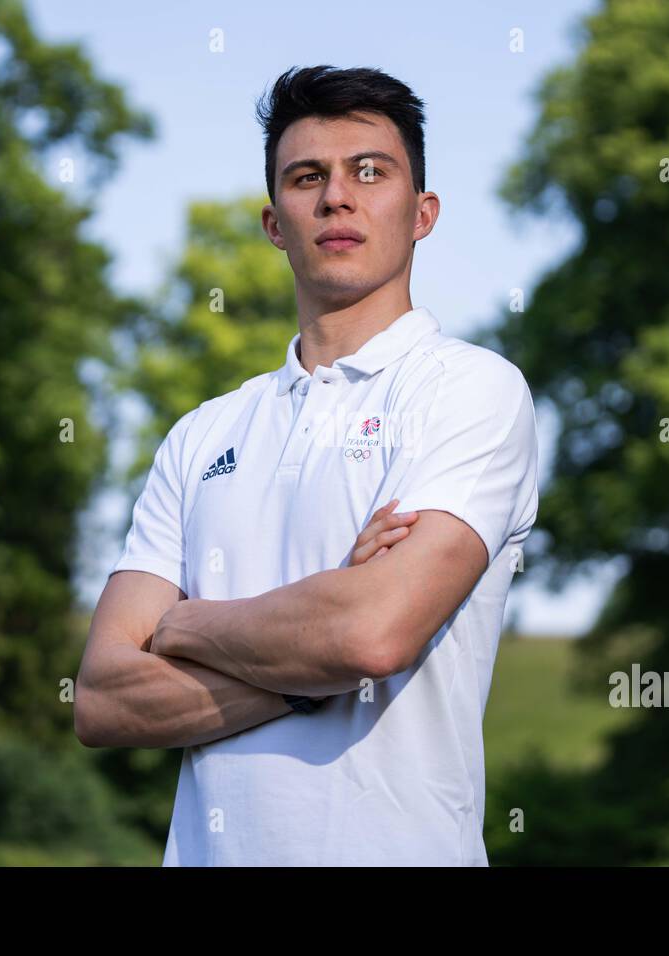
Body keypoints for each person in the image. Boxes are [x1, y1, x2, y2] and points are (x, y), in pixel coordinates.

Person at [75, 64, 538, 866]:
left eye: (371, 171)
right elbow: (102, 699)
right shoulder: (200, 435)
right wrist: (309, 662)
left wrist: (185, 626)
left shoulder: (470, 391)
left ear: (423, 213)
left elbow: (371, 635)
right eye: (306, 177)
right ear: (274, 222)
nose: (337, 198)